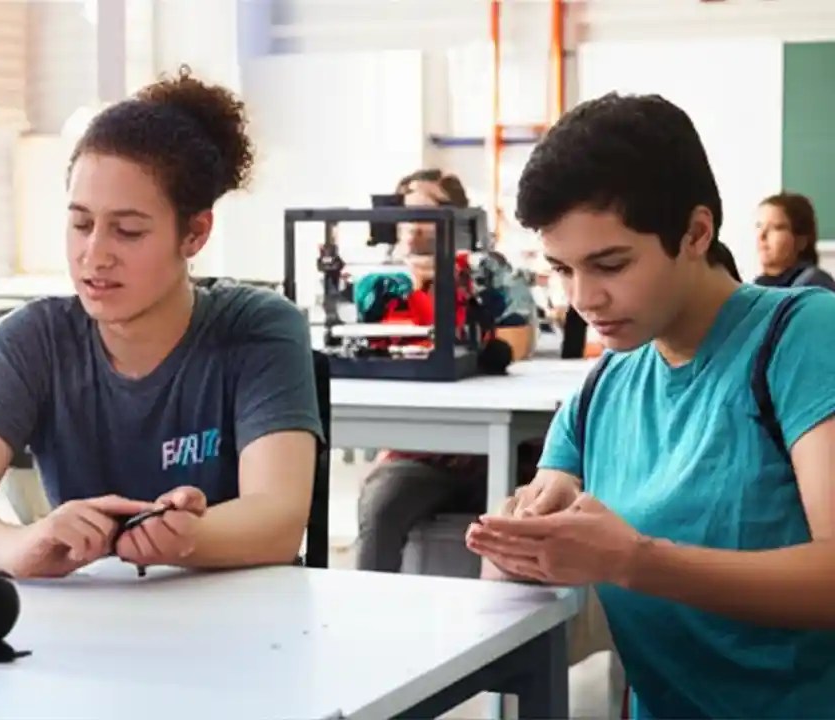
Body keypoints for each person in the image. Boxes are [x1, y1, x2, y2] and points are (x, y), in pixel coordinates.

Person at [466, 92, 835, 718]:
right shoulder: (604, 387)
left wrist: (634, 561)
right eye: (562, 269)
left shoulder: (802, 336)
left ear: (696, 233)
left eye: (610, 265)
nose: (584, 298)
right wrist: (522, 550)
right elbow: (536, 536)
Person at [0, 66, 323, 580]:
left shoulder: (258, 328)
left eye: (128, 231)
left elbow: (278, 519)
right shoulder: (33, 340)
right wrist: (20, 545)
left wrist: (190, 536)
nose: (94, 255)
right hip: (93, 616)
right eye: (81, 224)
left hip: (241, 613)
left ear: (195, 234)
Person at [353, 171, 540, 574]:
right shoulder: (381, 278)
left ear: (456, 217)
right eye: (404, 211)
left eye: (424, 211)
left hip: (499, 453)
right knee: (382, 504)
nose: (411, 223)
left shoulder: (486, 270)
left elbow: (517, 336)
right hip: (418, 454)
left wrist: (488, 346)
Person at [754, 192, 835, 291]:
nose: (761, 235)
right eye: (759, 226)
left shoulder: (813, 284)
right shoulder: (759, 285)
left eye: (776, 227)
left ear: (801, 241)